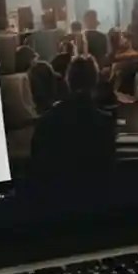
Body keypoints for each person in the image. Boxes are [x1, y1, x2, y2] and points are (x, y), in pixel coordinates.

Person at [29, 55, 116, 187]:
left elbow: (38, 168)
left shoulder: (47, 121)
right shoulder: (105, 123)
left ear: (68, 80)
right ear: (95, 81)